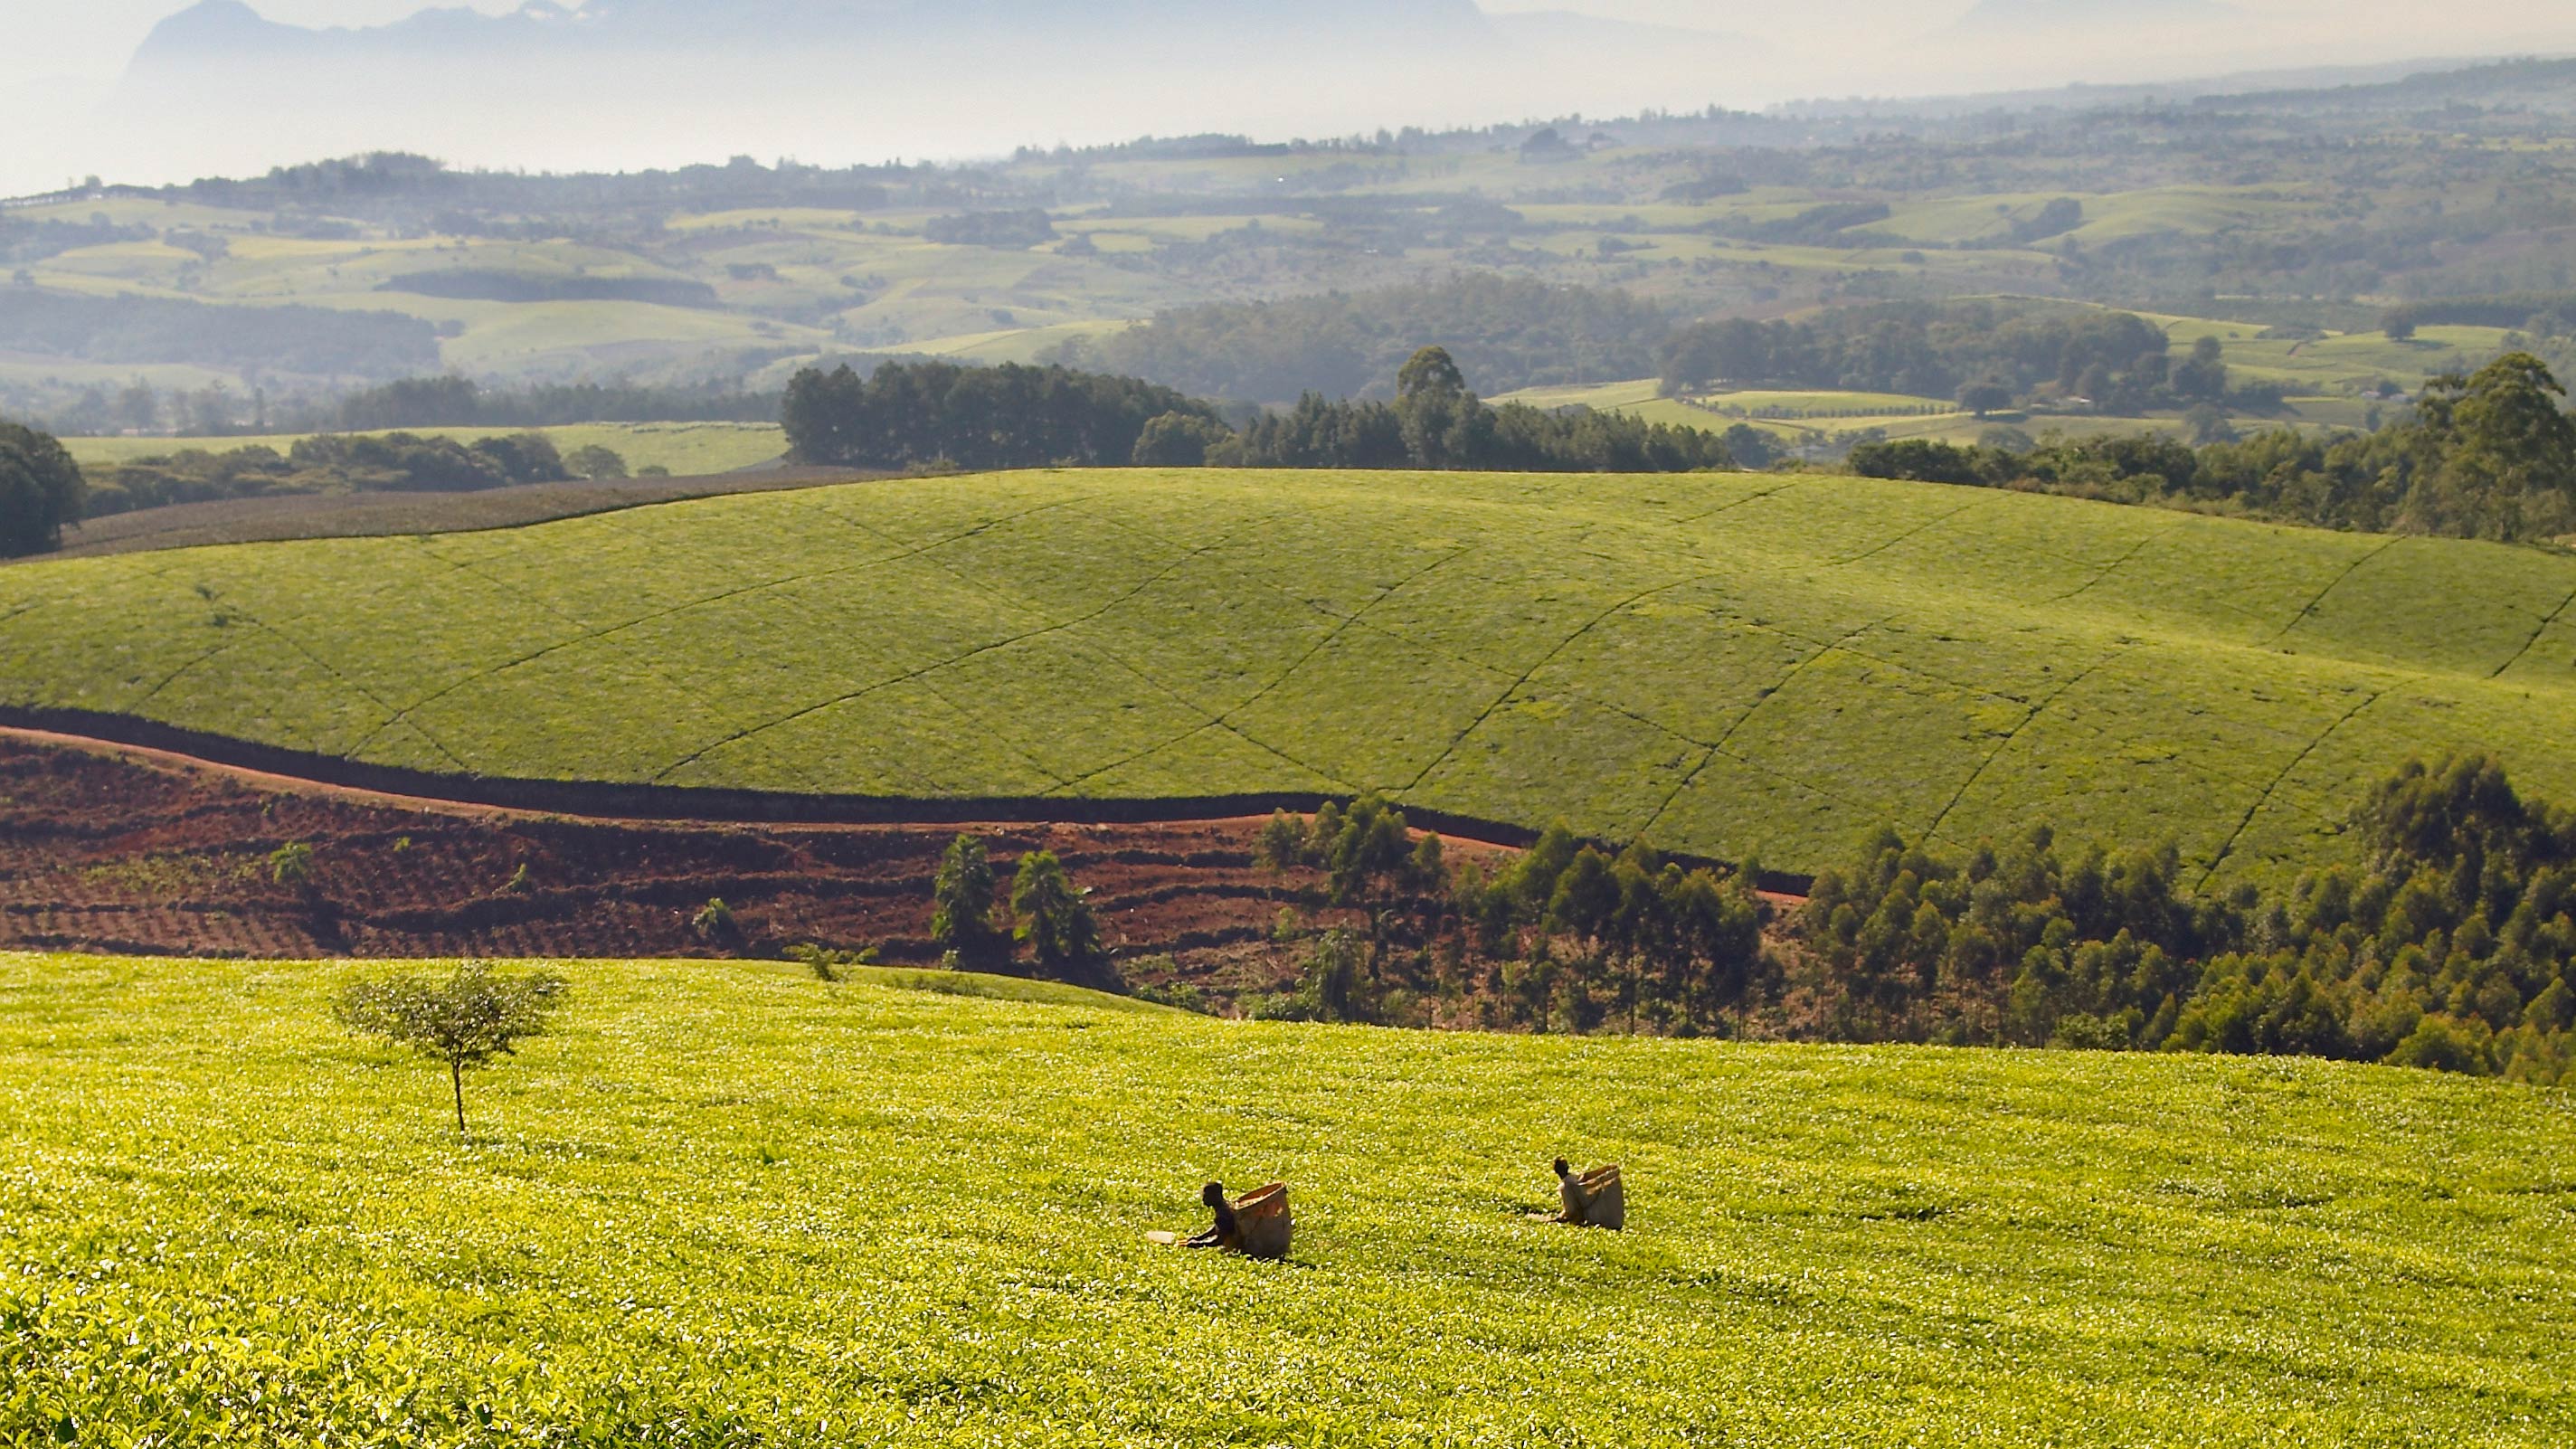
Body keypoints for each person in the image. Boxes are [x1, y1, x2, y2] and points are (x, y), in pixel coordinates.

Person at [1183, 1180, 1241, 1251]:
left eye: (1206, 1196)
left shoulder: (1223, 1215)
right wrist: (1199, 1238)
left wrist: (1200, 1244)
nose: (1203, 1199)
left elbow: (1220, 1240)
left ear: (1215, 1196)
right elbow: (1217, 1228)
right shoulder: (1224, 1207)